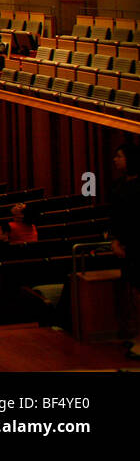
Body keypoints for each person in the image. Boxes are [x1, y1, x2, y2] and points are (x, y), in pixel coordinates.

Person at [110, 144, 140, 359]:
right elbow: (117, 216)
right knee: (133, 293)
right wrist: (116, 240)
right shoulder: (119, 183)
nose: (115, 159)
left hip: (138, 246)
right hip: (126, 246)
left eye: (120, 156)